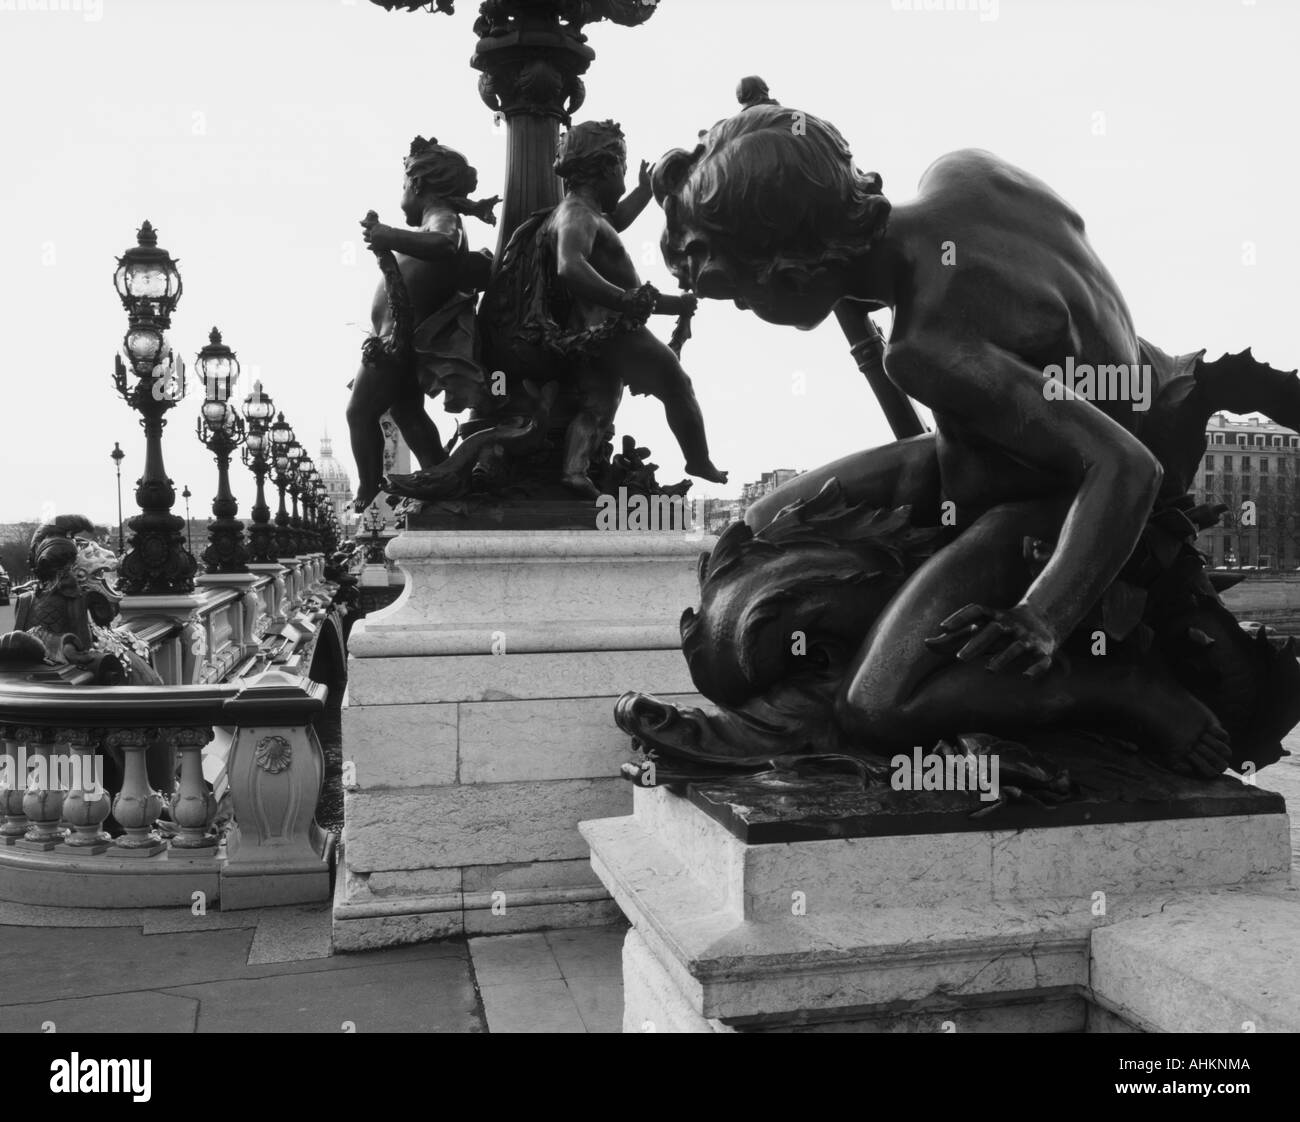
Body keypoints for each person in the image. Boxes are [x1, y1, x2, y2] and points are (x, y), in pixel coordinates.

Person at [653, 100, 1300, 776]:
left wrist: (1043, 615)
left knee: (875, 706)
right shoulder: (966, 172)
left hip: (1055, 498)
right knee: (760, 528)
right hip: (1020, 436)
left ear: (797, 267)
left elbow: (1125, 468)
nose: (750, 313)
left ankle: (1124, 689)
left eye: (743, 296)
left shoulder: (927, 346)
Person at [526, 120, 727, 498]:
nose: (622, 173)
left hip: (590, 334)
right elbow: (570, 266)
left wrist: (641, 190)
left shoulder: (583, 213)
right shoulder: (579, 216)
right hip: (616, 330)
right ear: (604, 167)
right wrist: (624, 301)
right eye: (621, 166)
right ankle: (697, 459)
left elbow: (616, 221)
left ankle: (574, 469)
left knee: (598, 406)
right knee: (677, 384)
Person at [346, 136, 498, 510]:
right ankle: (440, 473)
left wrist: (387, 235)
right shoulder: (436, 218)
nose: (403, 195)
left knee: (359, 412)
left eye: (403, 185)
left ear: (417, 185)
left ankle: (368, 484)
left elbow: (444, 244)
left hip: (393, 346)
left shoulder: (442, 218)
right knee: (407, 412)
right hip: (397, 341)